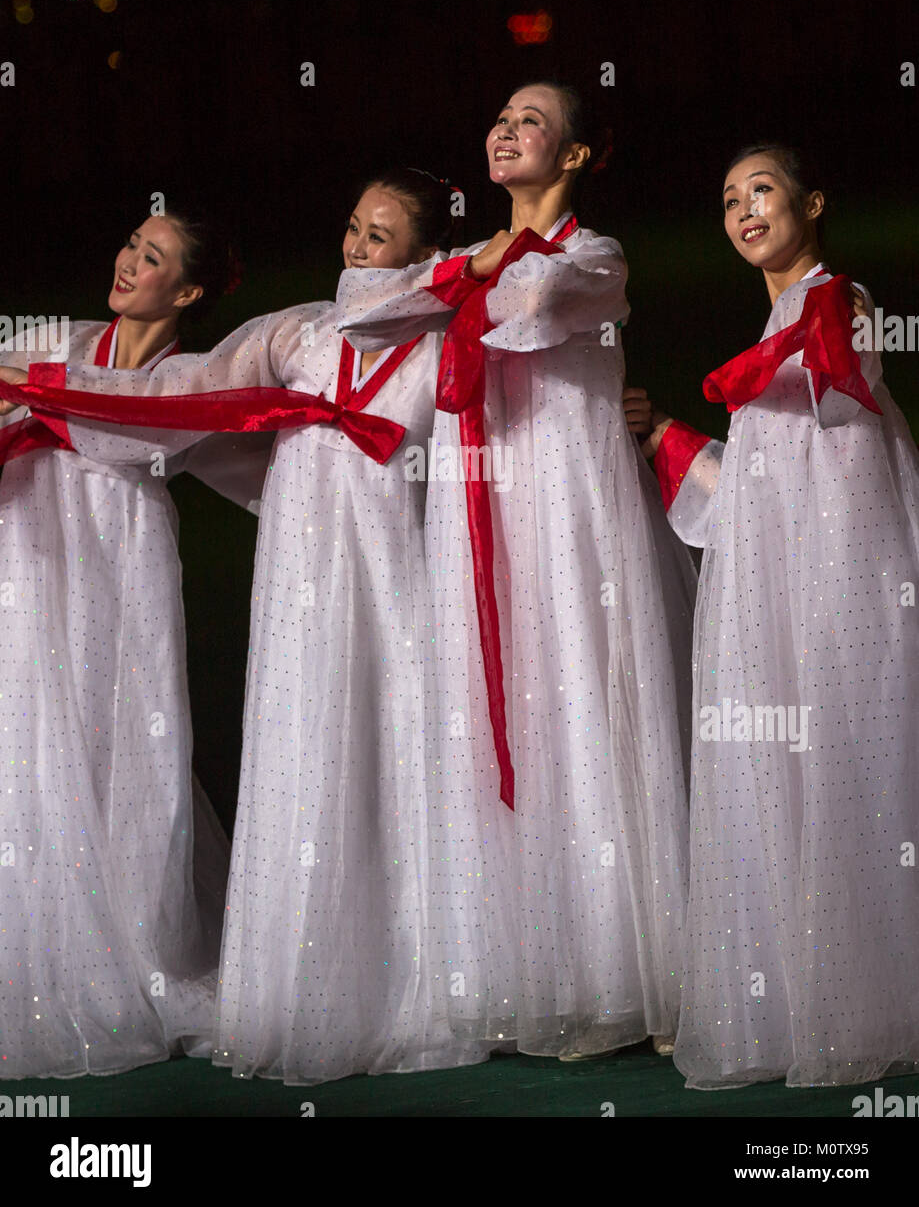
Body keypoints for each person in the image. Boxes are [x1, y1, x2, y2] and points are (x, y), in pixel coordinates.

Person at [0, 170, 489, 1083]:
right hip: (46, 552)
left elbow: (215, 436)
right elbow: (206, 407)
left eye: (377, 235)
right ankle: (46, 944)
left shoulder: (426, 349)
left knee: (150, 748)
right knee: (32, 741)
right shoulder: (285, 332)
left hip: (297, 563)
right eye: (350, 225)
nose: (353, 245)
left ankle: (409, 959)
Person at [339, 84, 696, 1060]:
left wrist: (470, 270)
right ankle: (521, 966)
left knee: (583, 691)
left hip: (568, 508)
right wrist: (470, 266)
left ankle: (630, 964)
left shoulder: (594, 256)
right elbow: (364, 316)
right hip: (476, 510)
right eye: (498, 115)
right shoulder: (473, 261)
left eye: (532, 119)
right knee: (497, 710)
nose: (505, 128)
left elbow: (533, 304)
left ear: (577, 155)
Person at [642, 144, 919, 1088]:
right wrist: (664, 437)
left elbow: (843, 383)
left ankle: (869, 993)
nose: (742, 209)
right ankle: (801, 991)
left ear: (813, 200)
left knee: (852, 763)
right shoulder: (775, 336)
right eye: (727, 198)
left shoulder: (839, 302)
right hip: (777, 599)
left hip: (841, 585)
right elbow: (747, 500)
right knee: (785, 772)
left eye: (761, 190)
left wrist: (763, 361)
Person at [0, 213, 235, 1077]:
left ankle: (136, 948)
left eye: (154, 258)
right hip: (29, 547)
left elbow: (119, 427)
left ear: (188, 290)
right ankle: (33, 951)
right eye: (132, 246)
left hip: (120, 562)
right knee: (28, 736)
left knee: (127, 740)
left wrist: (37, 392)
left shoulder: (183, 376)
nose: (128, 264)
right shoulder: (60, 338)